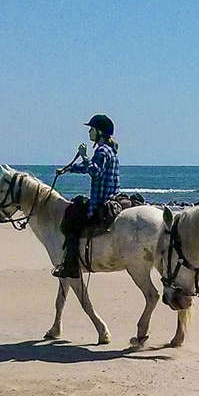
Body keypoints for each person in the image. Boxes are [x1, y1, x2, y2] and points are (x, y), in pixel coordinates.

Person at [52, 114, 119, 278]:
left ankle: (71, 266)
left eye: (92, 129)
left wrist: (83, 155)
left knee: (70, 223)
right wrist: (68, 169)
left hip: (100, 203)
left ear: (99, 132)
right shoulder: (108, 150)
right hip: (110, 199)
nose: (89, 132)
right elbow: (88, 168)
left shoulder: (102, 151)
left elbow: (95, 172)